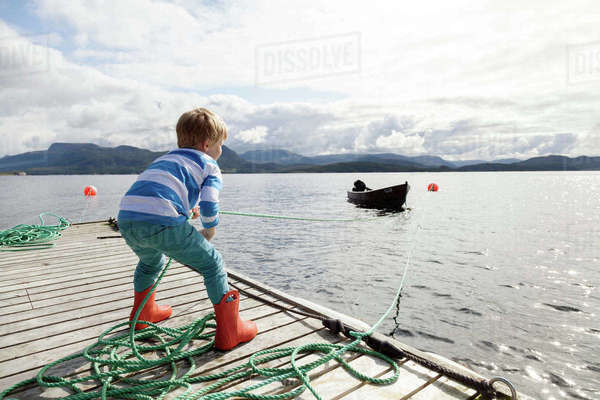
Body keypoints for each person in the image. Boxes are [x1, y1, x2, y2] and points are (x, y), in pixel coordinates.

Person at [117, 108, 257, 351]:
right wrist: (210, 229)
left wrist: (185, 210)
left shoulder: (164, 159)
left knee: (150, 263)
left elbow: (161, 191)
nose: (221, 151)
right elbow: (210, 203)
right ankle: (231, 331)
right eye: (220, 145)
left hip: (128, 221)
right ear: (206, 145)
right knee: (212, 263)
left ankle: (143, 314)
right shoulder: (209, 164)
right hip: (162, 223)